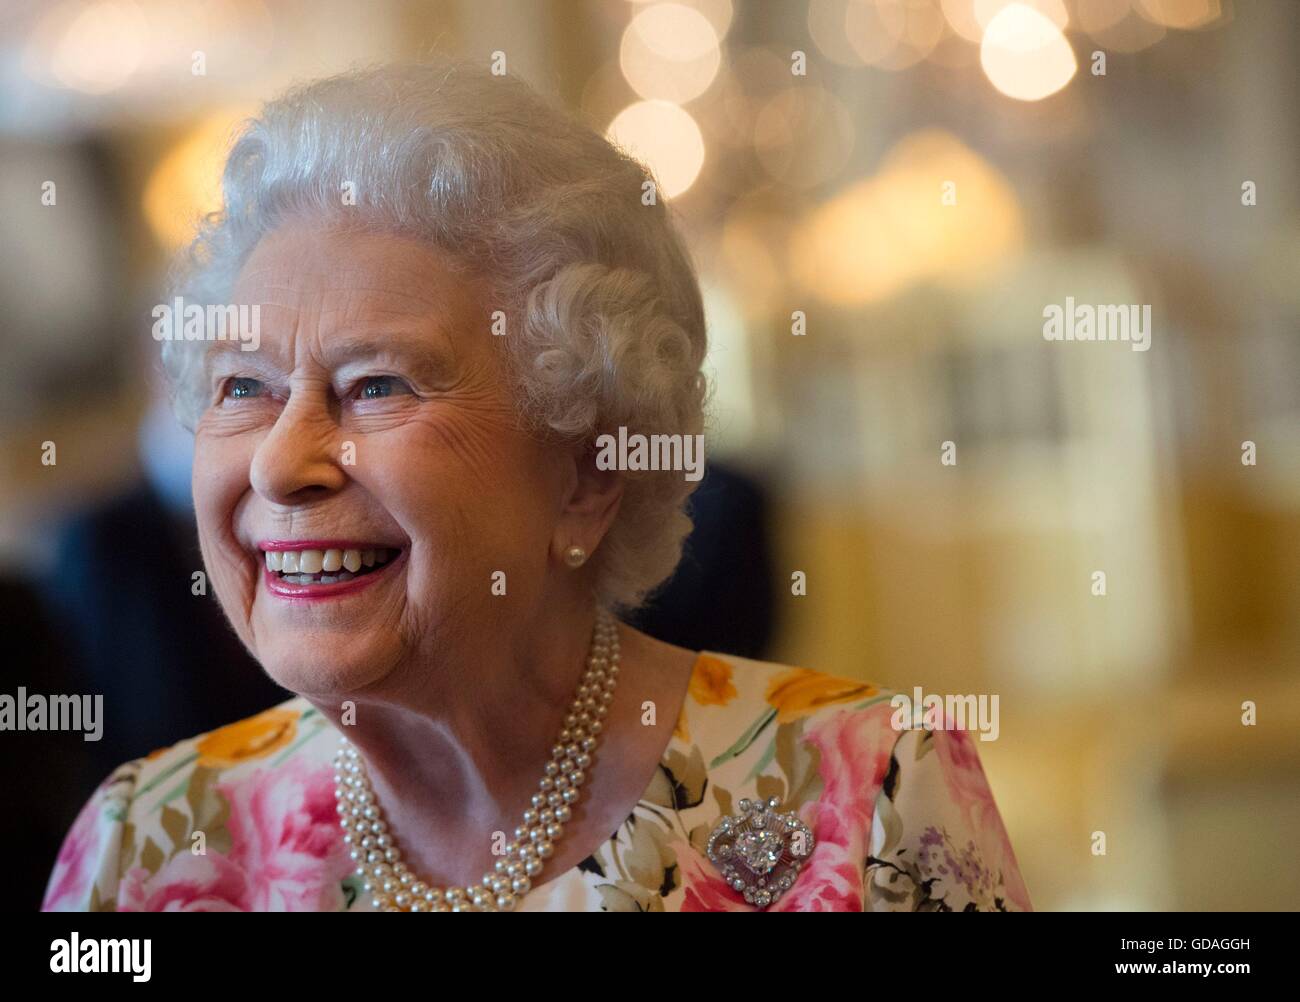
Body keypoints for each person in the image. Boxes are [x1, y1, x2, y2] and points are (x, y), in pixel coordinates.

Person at [41, 60, 1030, 912]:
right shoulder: (145, 846)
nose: (276, 463)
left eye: (376, 385)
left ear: (589, 472)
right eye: (242, 388)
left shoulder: (870, 796)